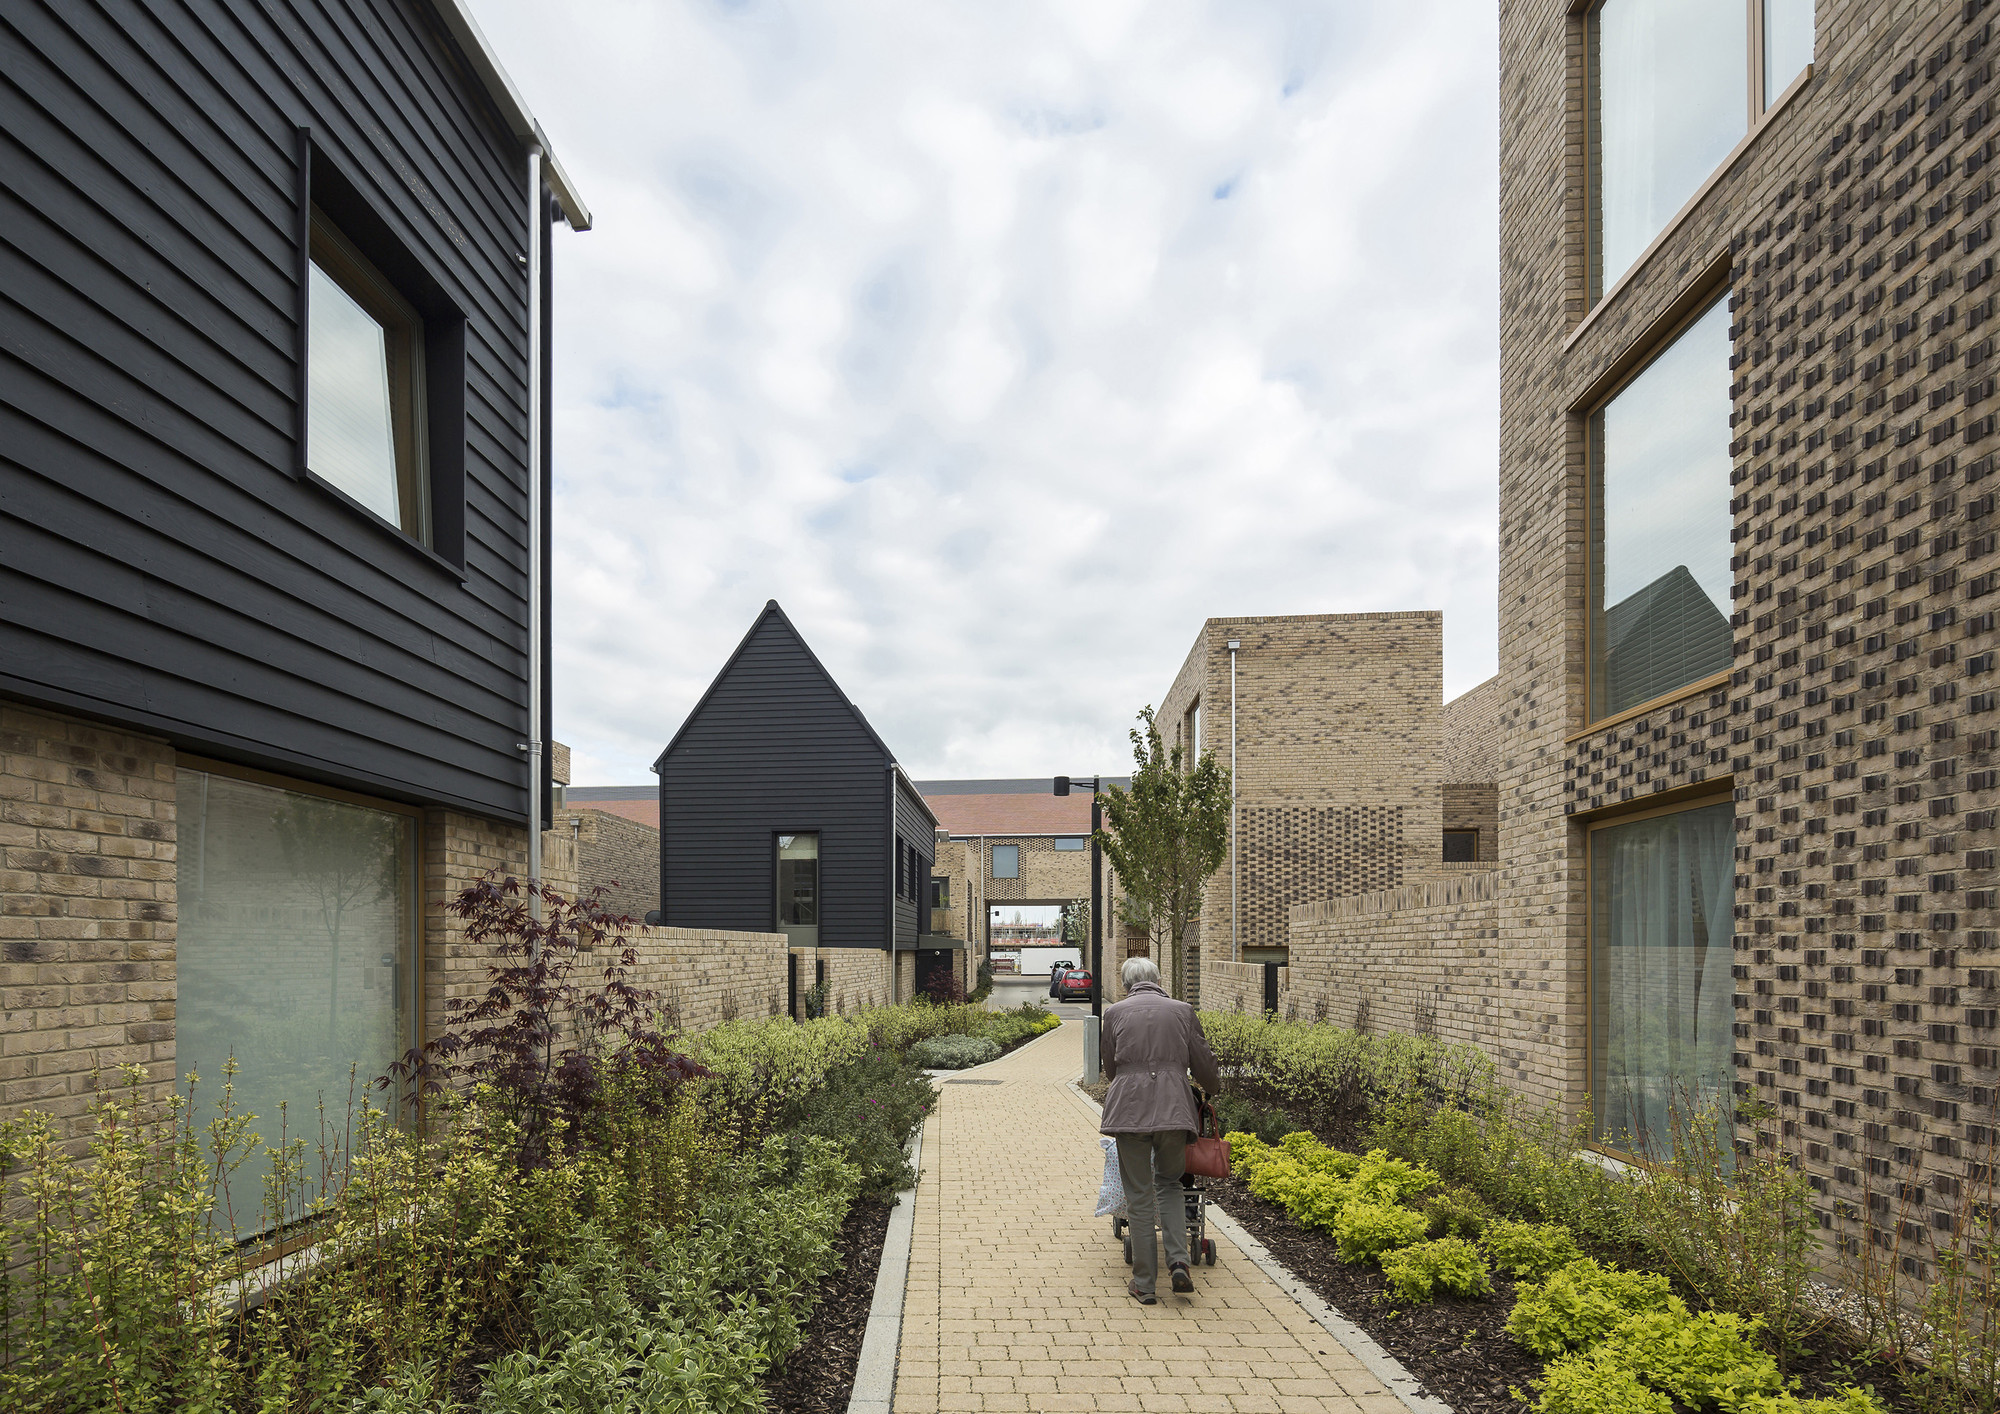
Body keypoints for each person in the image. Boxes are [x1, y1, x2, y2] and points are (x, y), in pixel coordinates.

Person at [1099, 956, 1221, 1304]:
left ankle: (1144, 1284)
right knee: (1169, 1184)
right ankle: (1179, 1262)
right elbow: (1203, 1060)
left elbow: (1111, 1066)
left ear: (1127, 984)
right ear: (1158, 979)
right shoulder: (1182, 1011)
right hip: (1174, 1110)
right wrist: (1212, 1088)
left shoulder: (1115, 1013)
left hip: (1129, 1112)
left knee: (1139, 1196)